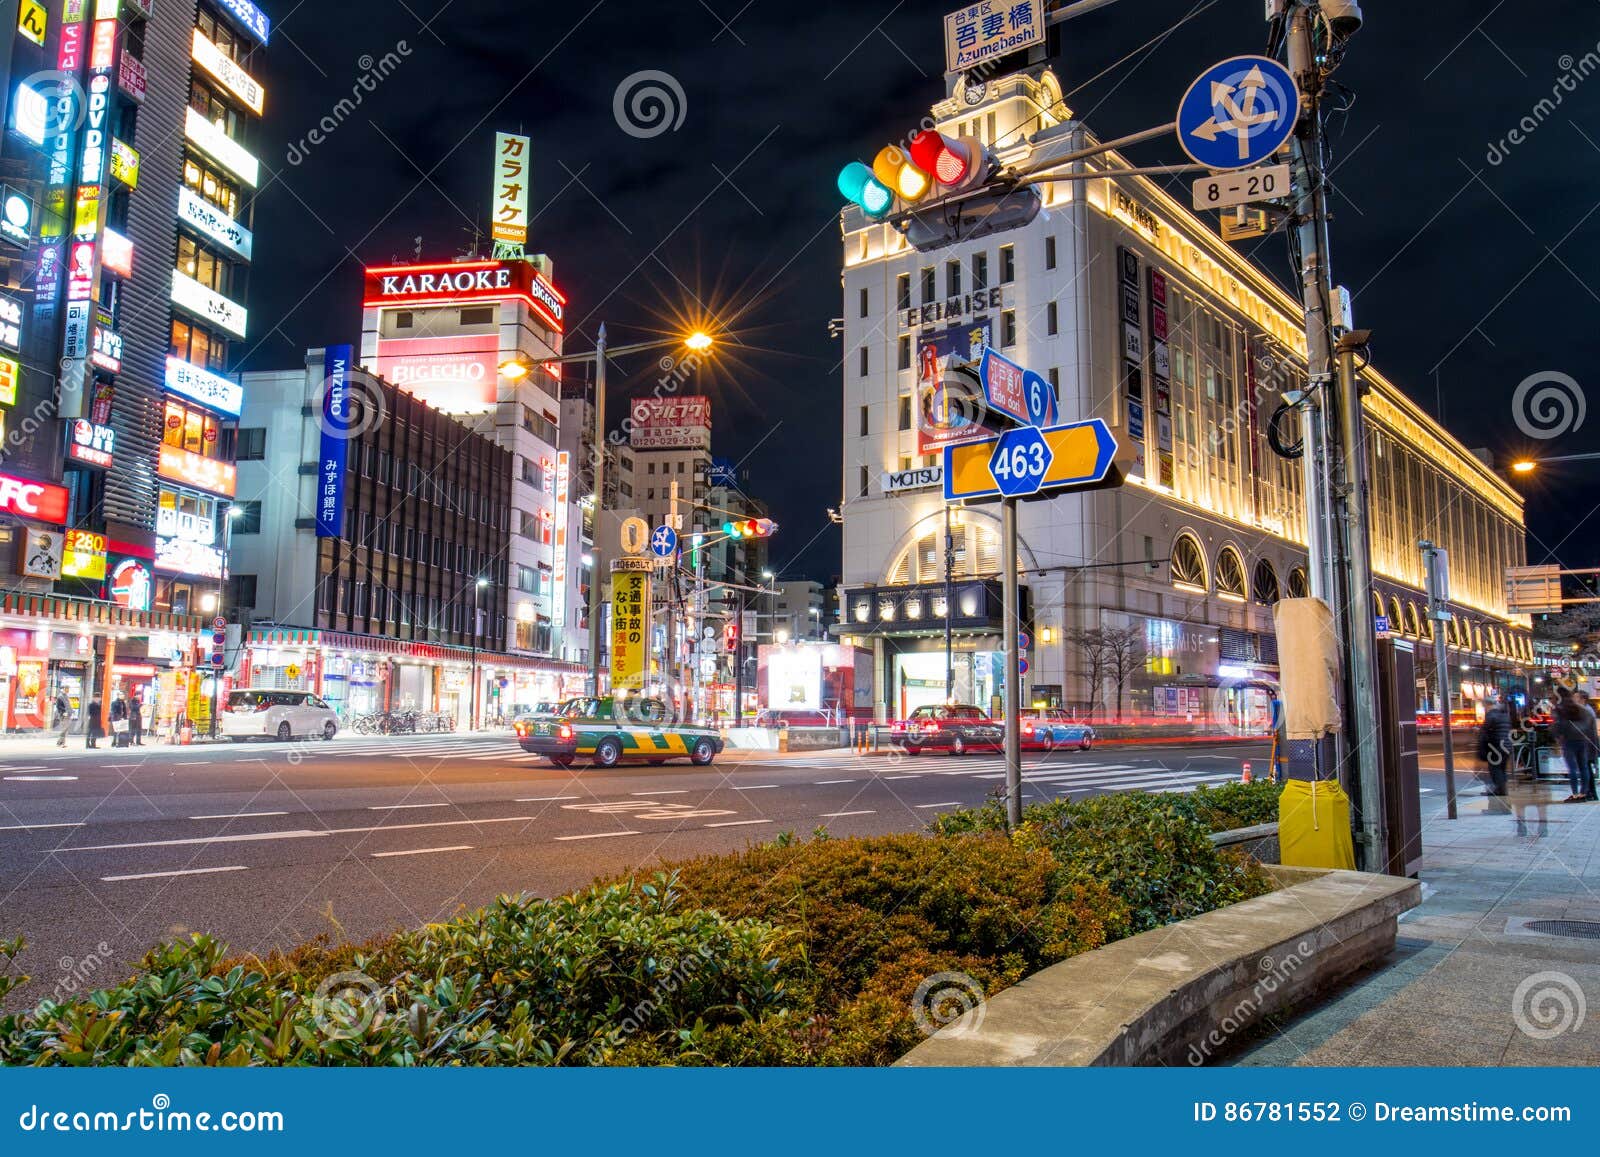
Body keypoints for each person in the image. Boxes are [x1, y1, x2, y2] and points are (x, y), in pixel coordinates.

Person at [1552, 687, 1597, 803]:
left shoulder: (1561, 709)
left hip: (1569, 740)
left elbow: (1557, 726)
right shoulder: (1582, 709)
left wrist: (1558, 738)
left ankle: (1575, 794)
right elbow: (1590, 722)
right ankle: (1583, 793)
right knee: (1584, 767)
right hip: (1582, 740)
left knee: (1572, 768)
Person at [1478, 693, 1513, 799]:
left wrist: (1483, 747)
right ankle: (1501, 789)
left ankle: (1501, 791)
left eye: (1484, 706)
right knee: (1502, 769)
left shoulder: (1491, 715)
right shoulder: (1504, 715)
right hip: (1506, 746)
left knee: (1495, 769)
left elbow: (1484, 733)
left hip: (1496, 747)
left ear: (1487, 705)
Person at [1575, 689, 1600, 802]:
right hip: (1587, 743)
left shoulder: (1586, 711)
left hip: (1587, 744)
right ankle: (1591, 792)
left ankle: (1589, 792)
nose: (1574, 700)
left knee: (1585, 768)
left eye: (1576, 698)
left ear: (1582, 699)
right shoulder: (1585, 710)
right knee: (1586, 768)